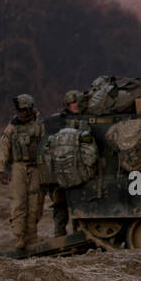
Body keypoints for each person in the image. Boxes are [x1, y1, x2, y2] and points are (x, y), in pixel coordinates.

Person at [0, 94, 46, 253]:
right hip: (18, 167)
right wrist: (1, 170)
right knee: (18, 203)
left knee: (35, 204)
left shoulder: (40, 125)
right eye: (19, 110)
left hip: (36, 168)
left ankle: (32, 237)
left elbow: (47, 145)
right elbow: (3, 149)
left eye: (24, 110)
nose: (21, 113)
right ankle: (19, 237)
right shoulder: (11, 128)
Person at [43, 90, 86, 236]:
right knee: (60, 204)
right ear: (67, 105)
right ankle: (59, 233)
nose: (76, 106)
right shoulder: (57, 121)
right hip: (61, 167)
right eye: (73, 103)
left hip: (79, 168)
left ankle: (80, 232)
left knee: (80, 201)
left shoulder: (86, 119)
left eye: (78, 102)